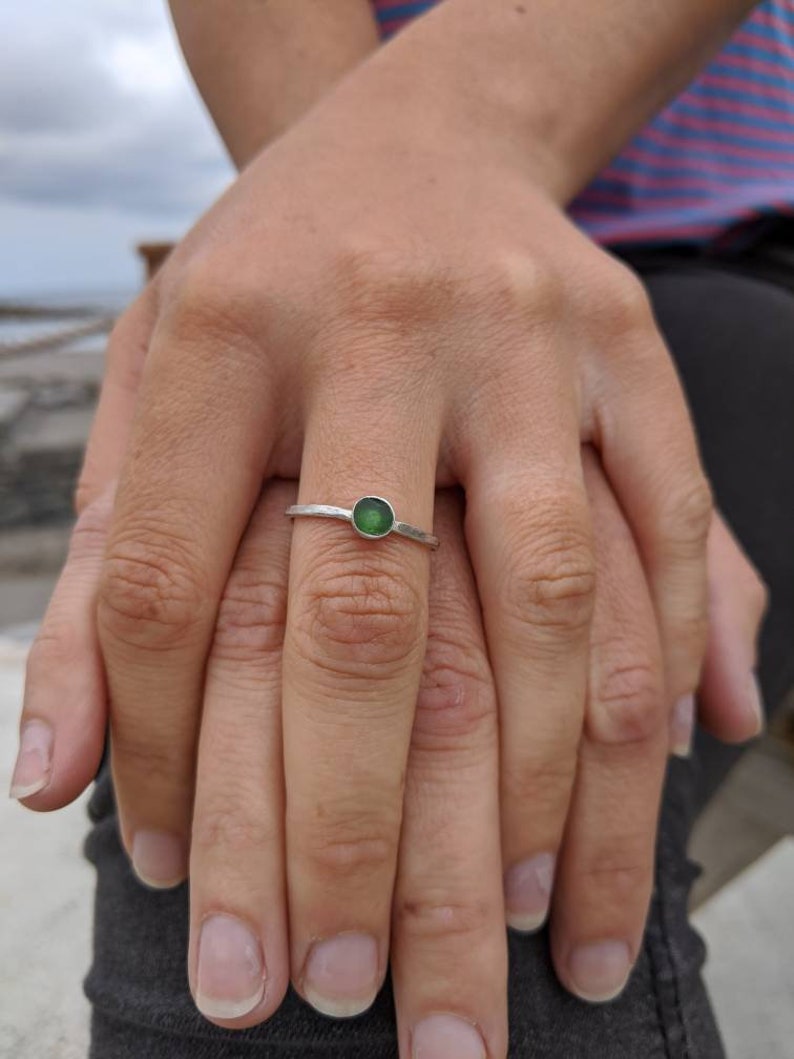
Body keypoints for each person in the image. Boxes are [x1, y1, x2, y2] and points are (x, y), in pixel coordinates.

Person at [10, 1, 794, 1056]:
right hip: (321, 225)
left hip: (725, 250)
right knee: (276, 707)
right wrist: (369, 217)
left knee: (489, 758)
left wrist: (456, 127)